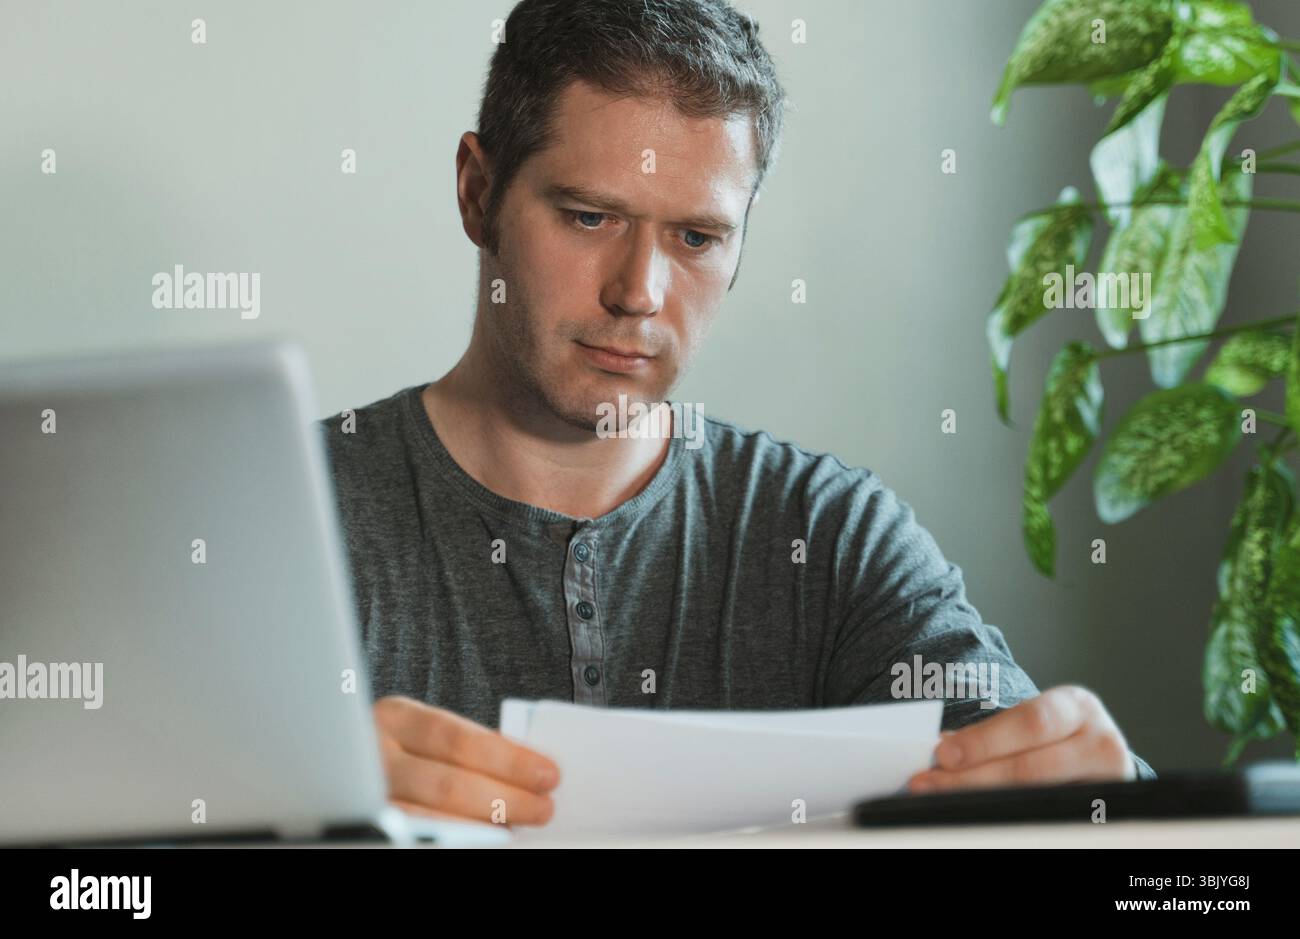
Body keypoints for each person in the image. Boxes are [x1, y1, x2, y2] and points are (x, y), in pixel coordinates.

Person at [320, 0, 1154, 828]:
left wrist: (1119, 811)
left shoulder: (832, 538)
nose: (638, 292)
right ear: (477, 192)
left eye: (696, 239)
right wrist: (278, 810)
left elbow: (1171, 874)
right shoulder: (287, 515)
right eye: (589, 216)